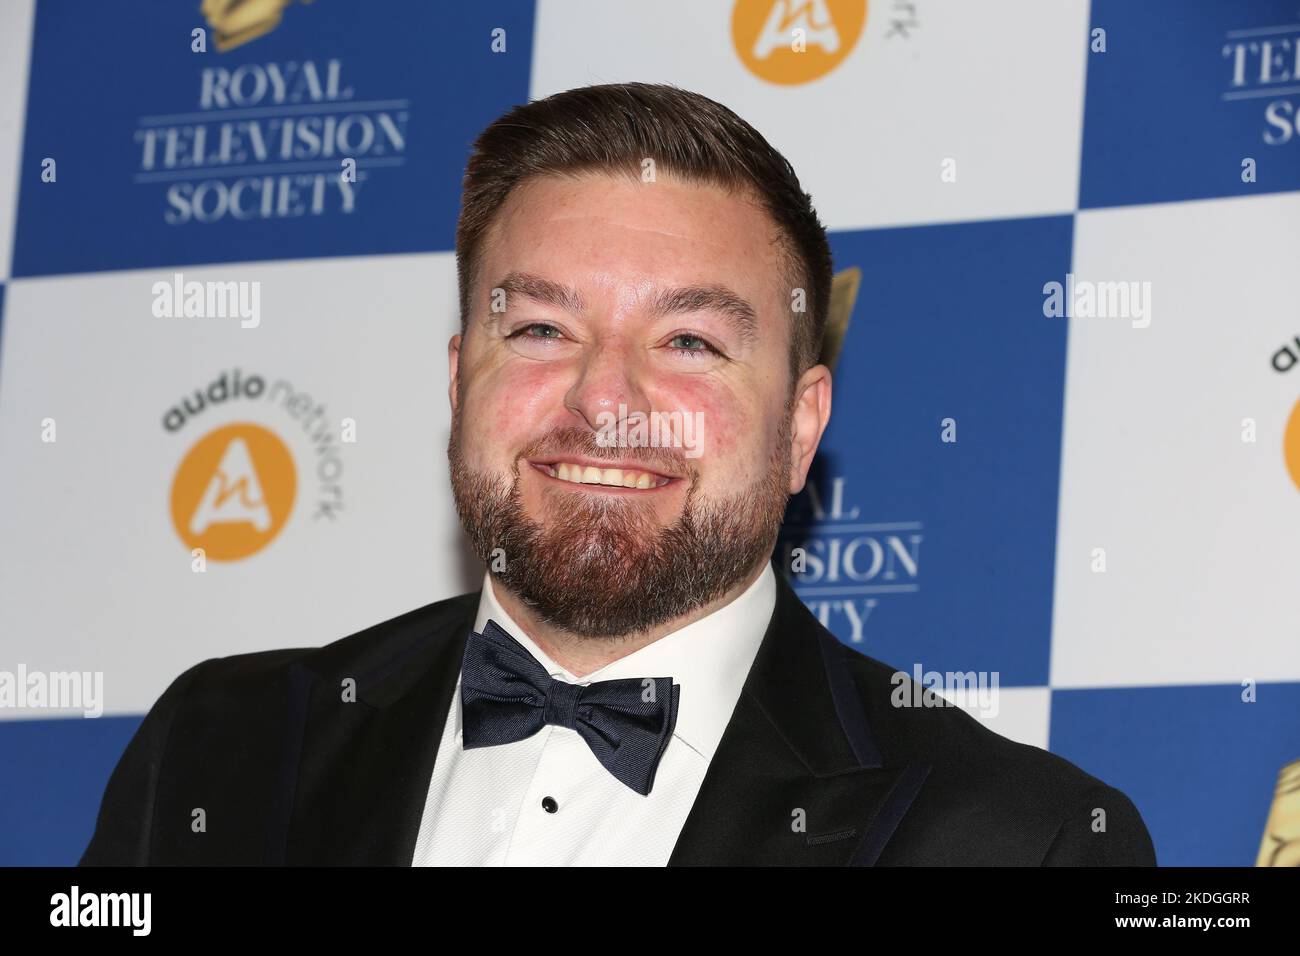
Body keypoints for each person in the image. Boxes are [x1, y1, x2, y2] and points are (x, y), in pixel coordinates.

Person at [80, 82, 1156, 866]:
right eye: (543, 326)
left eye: (689, 341)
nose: (606, 401)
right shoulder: (217, 747)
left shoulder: (1020, 841)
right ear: (461, 380)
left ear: (798, 425)